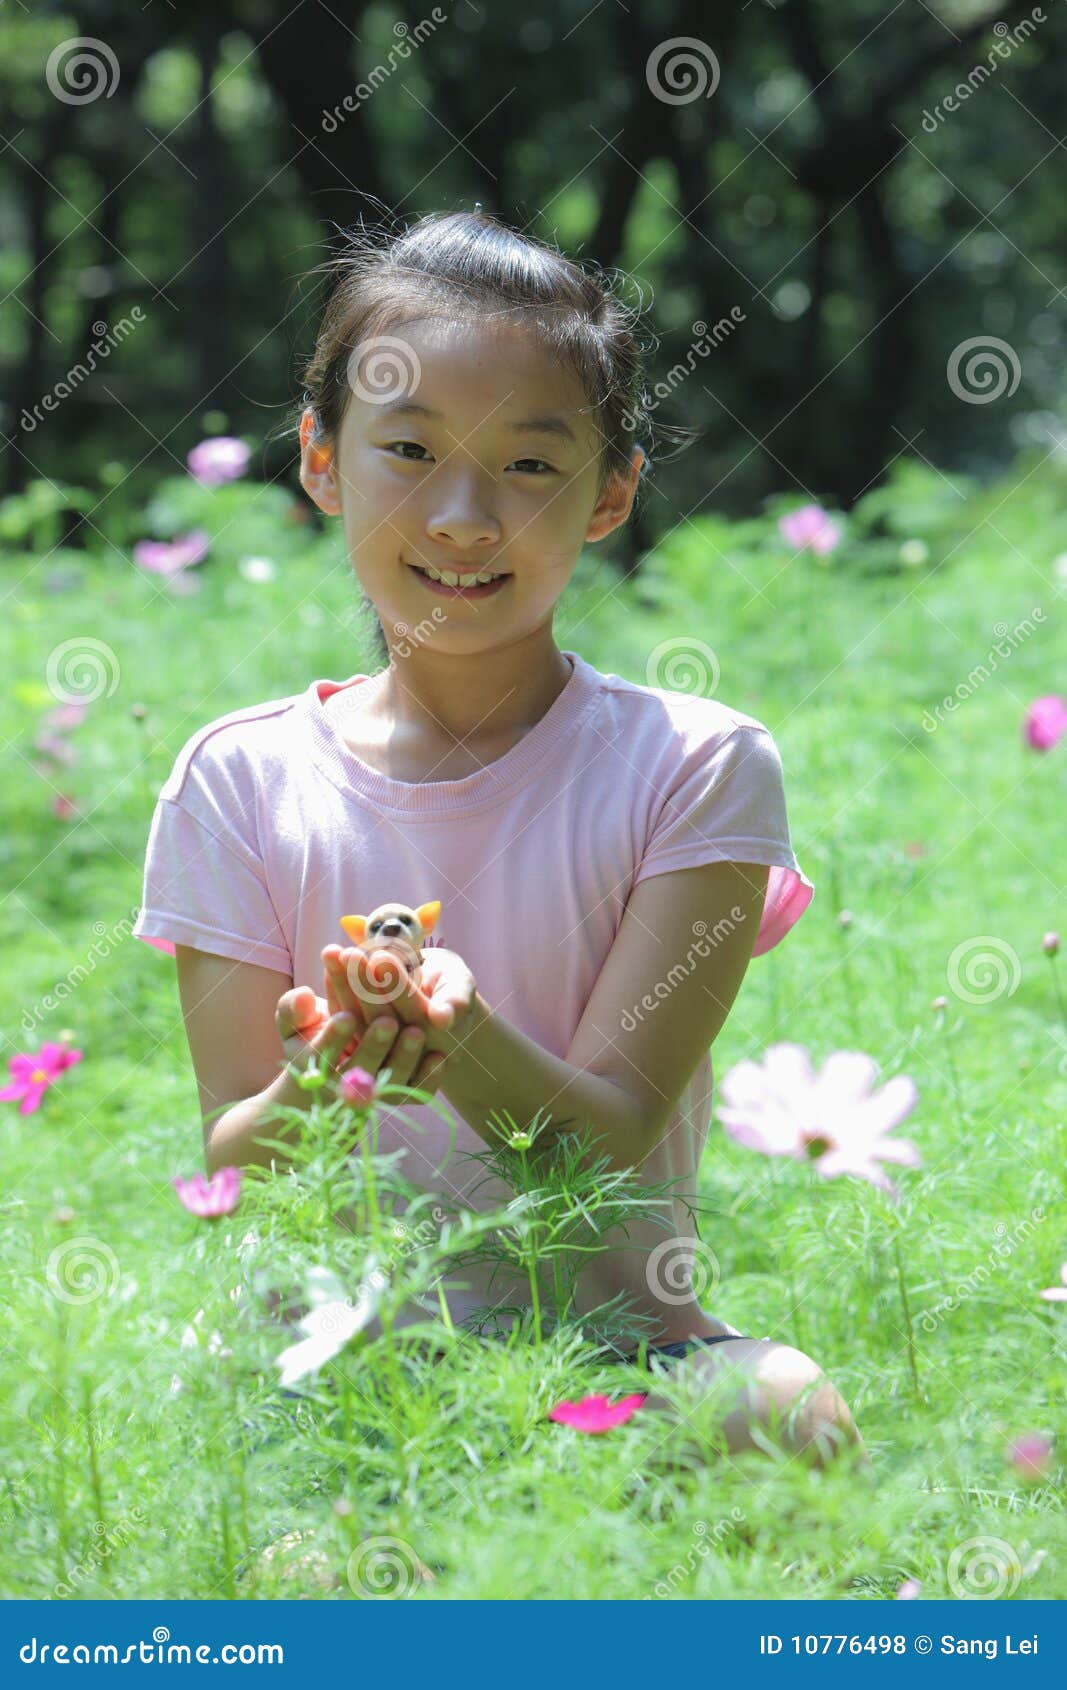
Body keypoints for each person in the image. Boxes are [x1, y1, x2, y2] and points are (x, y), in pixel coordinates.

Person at [134, 208, 867, 1472]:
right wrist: (336, 1065)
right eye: (408, 450)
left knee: (779, 1410)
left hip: (616, 1363)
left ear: (611, 492)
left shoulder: (695, 765)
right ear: (320, 464)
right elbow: (237, 1162)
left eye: (530, 465)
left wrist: (454, 1035)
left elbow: (604, 1137)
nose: (465, 517)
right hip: (337, 1376)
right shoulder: (238, 778)